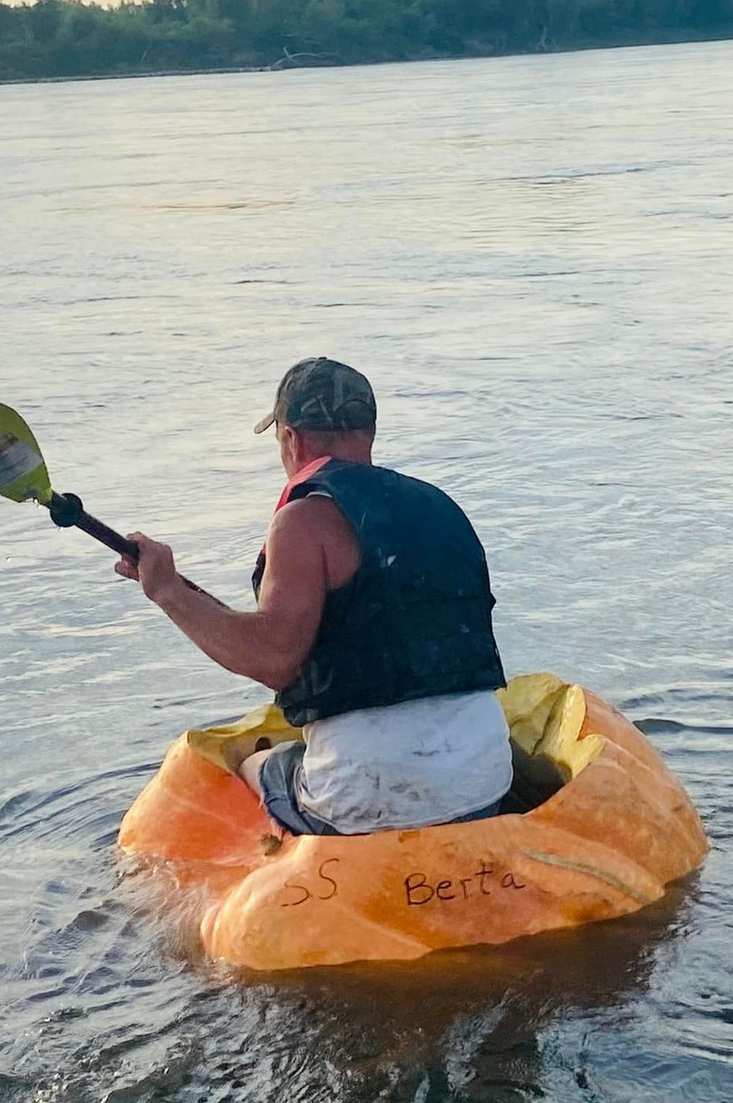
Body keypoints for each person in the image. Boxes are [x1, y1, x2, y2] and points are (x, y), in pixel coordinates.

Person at [116, 357, 513, 835]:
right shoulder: (443, 506)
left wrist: (166, 591)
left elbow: (274, 659)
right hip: (483, 783)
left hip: (366, 797)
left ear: (292, 438)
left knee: (257, 764)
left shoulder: (303, 520)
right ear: (367, 431)